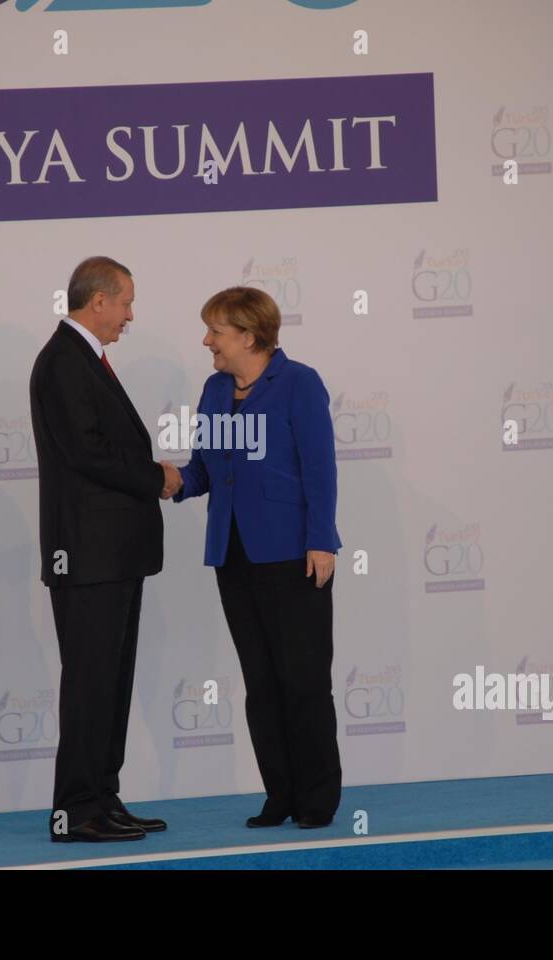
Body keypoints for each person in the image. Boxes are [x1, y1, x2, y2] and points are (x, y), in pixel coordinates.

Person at [162, 286, 342, 828]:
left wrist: (321, 540)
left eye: (215, 331)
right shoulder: (217, 390)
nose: (206, 341)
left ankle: (316, 800)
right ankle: (279, 796)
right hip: (233, 556)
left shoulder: (300, 384)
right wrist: (168, 480)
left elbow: (320, 469)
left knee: (304, 682)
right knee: (262, 684)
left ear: (248, 334)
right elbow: (206, 470)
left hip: (293, 554)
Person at [29, 256, 179, 843]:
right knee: (91, 683)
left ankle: (102, 798)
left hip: (111, 556)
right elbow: (89, 454)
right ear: (98, 301)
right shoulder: (63, 361)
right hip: (87, 558)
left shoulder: (80, 359)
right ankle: (74, 810)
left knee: (110, 683)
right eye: (126, 303)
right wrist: (155, 477)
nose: (130, 316)